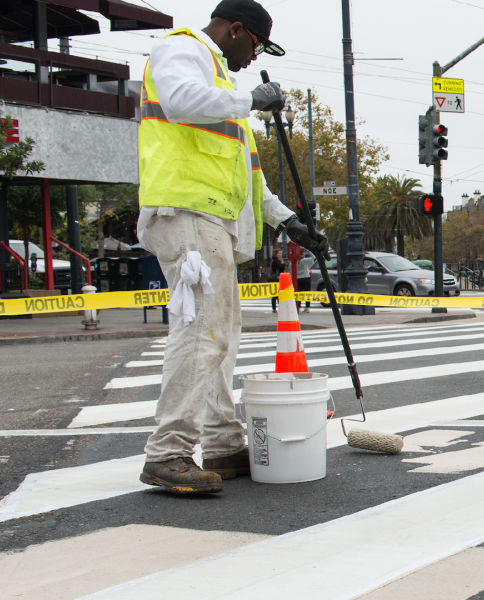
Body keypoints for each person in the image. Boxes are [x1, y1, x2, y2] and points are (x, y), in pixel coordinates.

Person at [135, 0, 330, 494]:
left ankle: (222, 444)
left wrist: (289, 221)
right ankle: (168, 452)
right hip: (185, 211)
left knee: (221, 334)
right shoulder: (183, 50)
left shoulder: (222, 88)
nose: (252, 58)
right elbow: (179, 100)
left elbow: (249, 177)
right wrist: (250, 101)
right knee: (203, 331)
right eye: (256, 47)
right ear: (237, 30)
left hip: (211, 220)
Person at [296, 249, 314, 313]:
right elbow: (313, 257)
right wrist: (308, 250)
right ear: (302, 253)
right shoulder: (304, 260)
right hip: (306, 277)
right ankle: (307, 307)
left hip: (298, 278)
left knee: (299, 293)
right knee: (307, 293)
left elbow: (291, 270)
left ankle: (299, 307)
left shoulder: (294, 261)